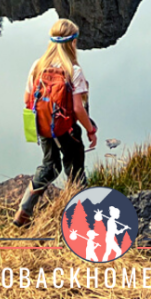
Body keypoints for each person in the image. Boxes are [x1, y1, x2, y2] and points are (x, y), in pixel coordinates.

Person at [13, 18, 97, 227]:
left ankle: (23, 212)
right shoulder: (73, 71)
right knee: (75, 169)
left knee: (50, 165)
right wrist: (90, 129)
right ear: (72, 43)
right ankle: (83, 219)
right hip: (66, 130)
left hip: (42, 127)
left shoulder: (37, 66)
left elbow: (26, 100)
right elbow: (78, 109)